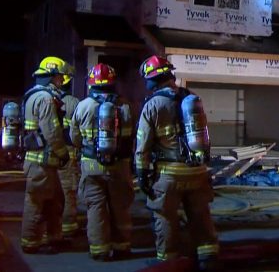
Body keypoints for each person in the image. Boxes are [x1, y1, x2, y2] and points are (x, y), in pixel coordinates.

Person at [136, 55, 219, 269]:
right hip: (197, 170)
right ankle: (207, 257)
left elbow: (143, 144)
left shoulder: (153, 105)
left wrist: (142, 172)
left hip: (169, 174)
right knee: (200, 215)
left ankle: (168, 261)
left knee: (165, 216)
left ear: (151, 79)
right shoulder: (192, 98)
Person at [70, 63, 135, 262]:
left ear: (91, 84)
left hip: (91, 165)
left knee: (96, 208)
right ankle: (122, 246)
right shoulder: (124, 106)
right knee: (120, 207)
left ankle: (99, 250)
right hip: (119, 165)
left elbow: (74, 136)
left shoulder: (83, 105)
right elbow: (130, 136)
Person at [20, 56, 71, 254]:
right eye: (59, 77)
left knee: (55, 199)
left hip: (43, 162)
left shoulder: (35, 95)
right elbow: (51, 130)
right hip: (41, 162)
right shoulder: (46, 98)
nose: (62, 81)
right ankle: (30, 242)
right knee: (36, 203)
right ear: (52, 77)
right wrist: (62, 152)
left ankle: (54, 237)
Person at [58, 61, 81, 240]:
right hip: (69, 156)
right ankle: (68, 228)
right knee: (68, 192)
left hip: (46, 156)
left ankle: (50, 229)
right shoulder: (74, 103)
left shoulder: (40, 99)